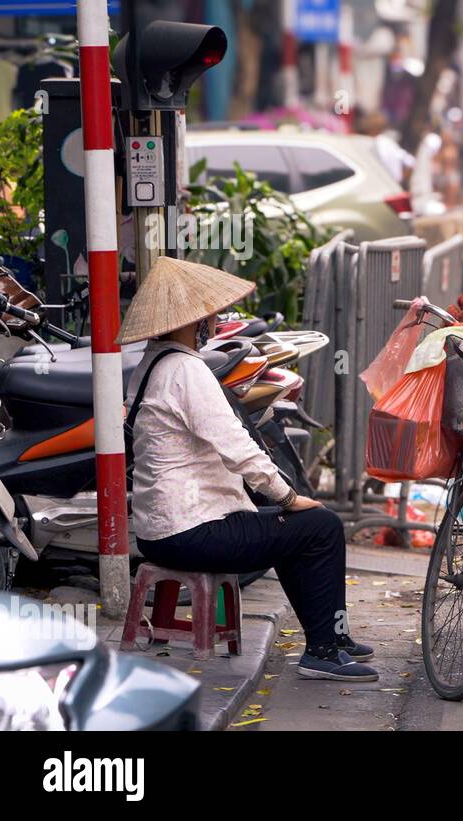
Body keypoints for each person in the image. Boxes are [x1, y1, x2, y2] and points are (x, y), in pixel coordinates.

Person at [119, 256, 377, 683]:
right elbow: (237, 446)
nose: (215, 320)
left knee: (297, 528)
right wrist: (287, 496)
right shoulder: (187, 369)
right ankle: (324, 651)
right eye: (210, 314)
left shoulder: (150, 364)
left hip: (157, 531)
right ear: (193, 319)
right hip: (191, 532)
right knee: (321, 526)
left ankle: (332, 635)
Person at [357, 111, 415, 187]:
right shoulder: (388, 142)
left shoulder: (374, 143)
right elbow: (411, 163)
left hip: (380, 186)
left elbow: (411, 163)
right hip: (391, 186)